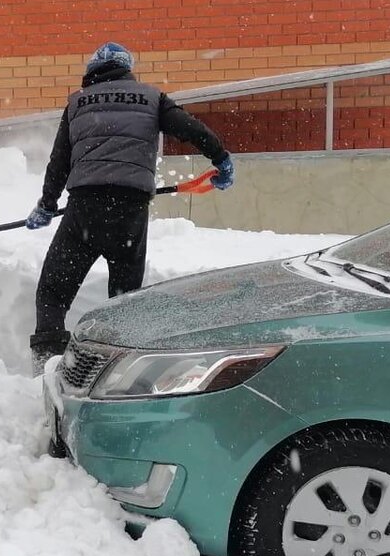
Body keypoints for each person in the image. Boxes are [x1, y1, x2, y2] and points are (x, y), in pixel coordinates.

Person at [24, 41, 234, 371]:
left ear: (92, 71)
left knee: (52, 293)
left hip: (85, 212)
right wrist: (220, 158)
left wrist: (46, 205)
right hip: (129, 213)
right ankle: (114, 372)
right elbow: (191, 128)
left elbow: (59, 162)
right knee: (124, 303)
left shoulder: (78, 104)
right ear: (127, 69)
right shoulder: (152, 99)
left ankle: (45, 370)